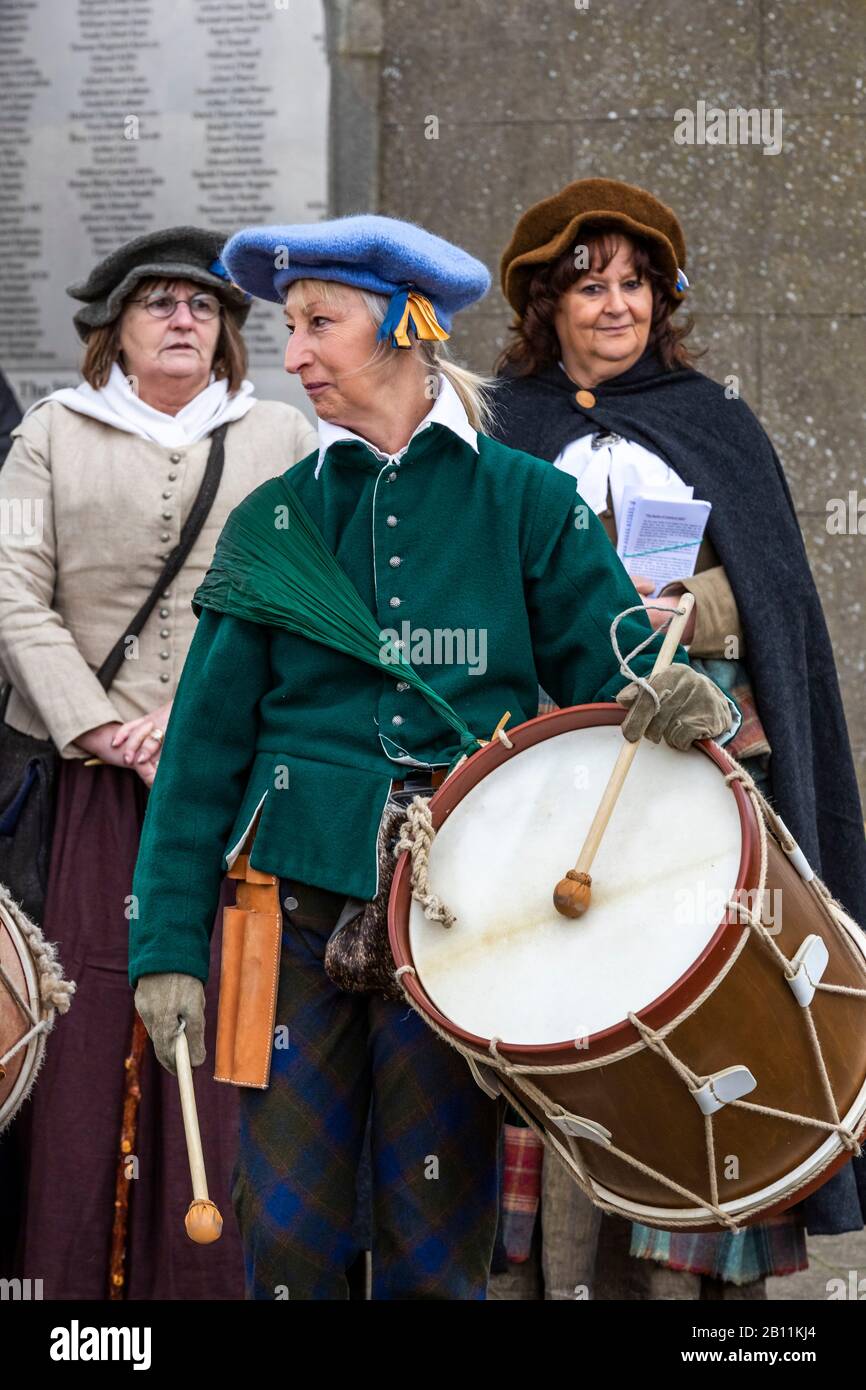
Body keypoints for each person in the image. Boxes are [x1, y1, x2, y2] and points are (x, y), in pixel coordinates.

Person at [128, 213, 738, 1301]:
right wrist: (166, 943)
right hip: (286, 911)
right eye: (291, 327)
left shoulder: (525, 500)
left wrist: (665, 699)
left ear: (410, 326)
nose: (295, 354)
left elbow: (606, 681)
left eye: (321, 324)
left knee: (435, 1237)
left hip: (467, 916)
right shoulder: (272, 522)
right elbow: (201, 758)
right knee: (290, 1240)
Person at [489, 176, 866, 1298]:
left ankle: (700, 1288)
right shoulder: (500, 428)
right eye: (588, 286)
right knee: (560, 1007)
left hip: (697, 751)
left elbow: (775, 593)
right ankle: (555, 1270)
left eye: (634, 286)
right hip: (551, 760)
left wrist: (692, 609)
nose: (615, 306)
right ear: (543, 306)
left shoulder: (715, 421)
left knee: (694, 1000)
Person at [0, 226, 317, 1299]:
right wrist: (97, 725)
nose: (183, 318)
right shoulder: (52, 432)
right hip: (93, 787)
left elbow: (308, 594)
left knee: (230, 1032)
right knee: (87, 1032)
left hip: (237, 788)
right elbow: (11, 591)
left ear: (228, 333)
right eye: (157, 303)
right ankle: (75, 1299)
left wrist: (191, 720)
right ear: (112, 333)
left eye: (201, 304)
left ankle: (210, 1281)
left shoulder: (283, 435)